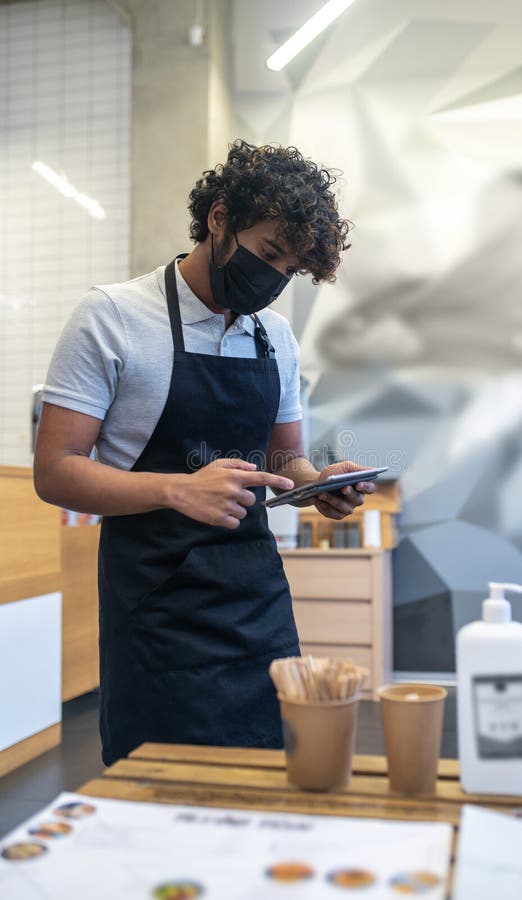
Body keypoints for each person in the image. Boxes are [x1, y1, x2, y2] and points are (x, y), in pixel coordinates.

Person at [34, 139, 377, 766]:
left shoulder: (274, 338)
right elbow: (55, 471)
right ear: (219, 217)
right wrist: (173, 488)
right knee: (163, 791)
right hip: (157, 606)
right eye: (268, 253)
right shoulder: (112, 318)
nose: (273, 279)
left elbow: (283, 460)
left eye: (291, 269)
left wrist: (316, 482)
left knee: (274, 780)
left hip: (256, 600)